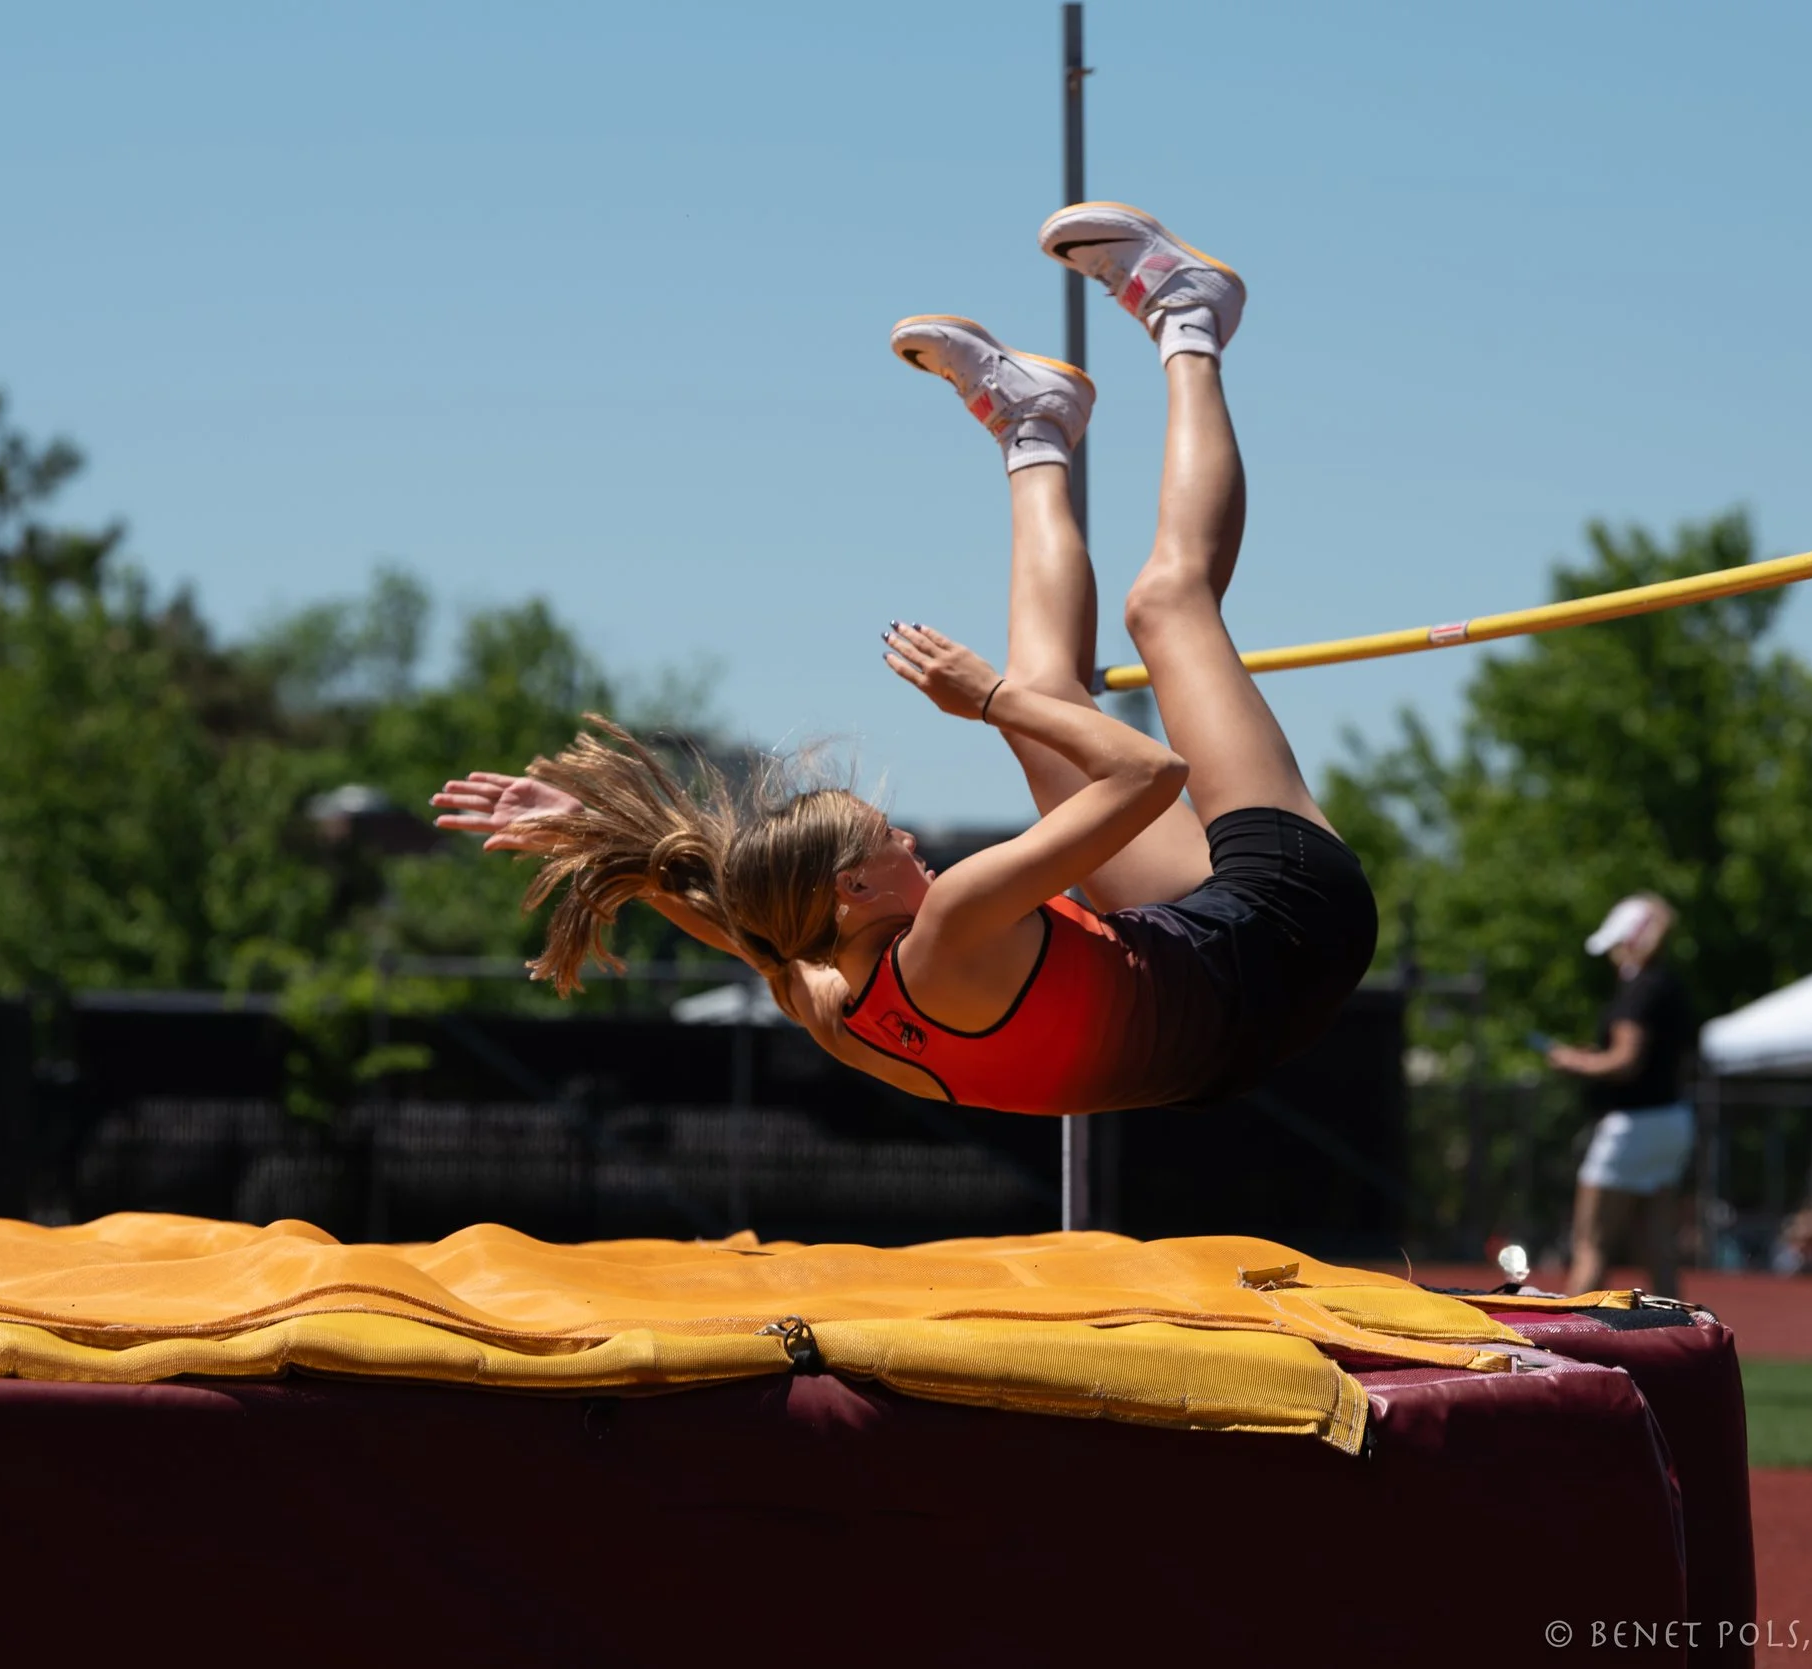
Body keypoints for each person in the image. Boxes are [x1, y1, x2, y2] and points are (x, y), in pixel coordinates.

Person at [430, 204, 1378, 1117]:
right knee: (1165, 606)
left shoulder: (826, 991)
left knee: (1053, 694)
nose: (911, 841)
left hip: (1221, 1013)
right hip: (1293, 931)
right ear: (854, 888)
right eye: (888, 839)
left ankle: (1033, 429)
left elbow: (725, 908)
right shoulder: (953, 916)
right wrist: (989, 699)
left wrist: (605, 838)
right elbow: (1147, 769)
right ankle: (1190, 317)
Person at [1545, 893, 1696, 1294]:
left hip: (1631, 1127)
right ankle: (1679, 1346)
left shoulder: (1637, 989)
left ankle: (1568, 1343)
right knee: (1658, 1249)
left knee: (1591, 1245)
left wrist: (1571, 1061)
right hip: (1672, 1120)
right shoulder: (1669, 985)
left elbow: (1626, 1061)